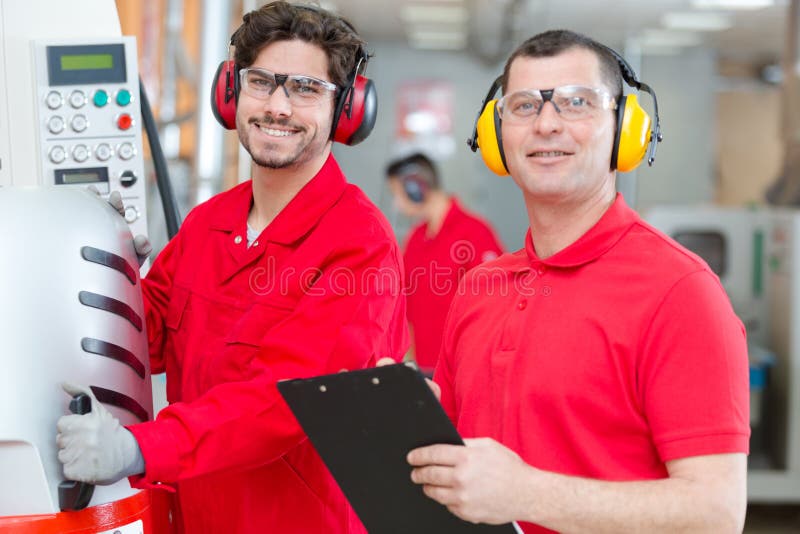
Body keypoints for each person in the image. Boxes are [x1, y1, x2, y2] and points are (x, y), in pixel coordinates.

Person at [55, 2, 407, 532]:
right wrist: (106, 274)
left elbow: (286, 401)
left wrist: (136, 448)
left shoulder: (360, 244)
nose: (279, 107)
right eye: (262, 82)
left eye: (306, 89)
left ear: (347, 110)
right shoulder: (208, 224)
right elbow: (136, 344)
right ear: (232, 92)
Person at [406, 30, 750, 533]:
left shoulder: (680, 291)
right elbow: (465, 473)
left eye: (576, 103)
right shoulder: (480, 286)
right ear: (497, 136)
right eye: (523, 106)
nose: (547, 124)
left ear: (625, 129)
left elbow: (715, 514)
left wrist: (527, 493)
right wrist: (410, 420)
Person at [385, 152, 503, 373]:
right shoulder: (415, 238)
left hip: (465, 370)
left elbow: (496, 307)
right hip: (424, 369)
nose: (396, 205)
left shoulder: (475, 233)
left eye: (397, 194)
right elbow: (406, 306)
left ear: (416, 188)